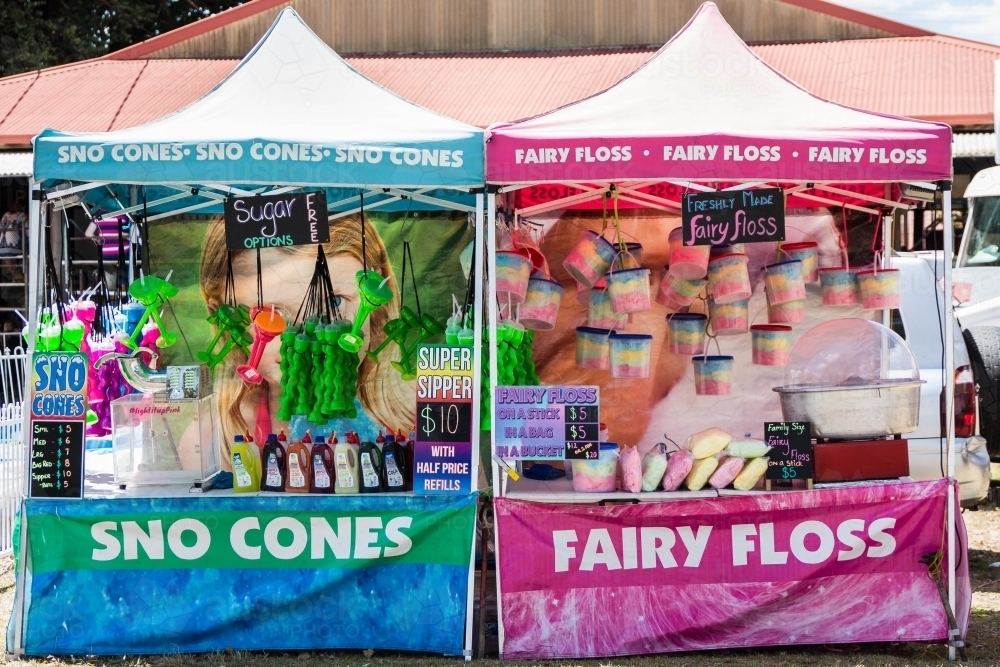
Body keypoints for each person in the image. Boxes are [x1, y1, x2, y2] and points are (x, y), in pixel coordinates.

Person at [199, 213, 414, 462]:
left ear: (377, 300)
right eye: (272, 314)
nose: (306, 336)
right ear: (224, 318)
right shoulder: (212, 442)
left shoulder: (421, 417)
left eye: (334, 303)